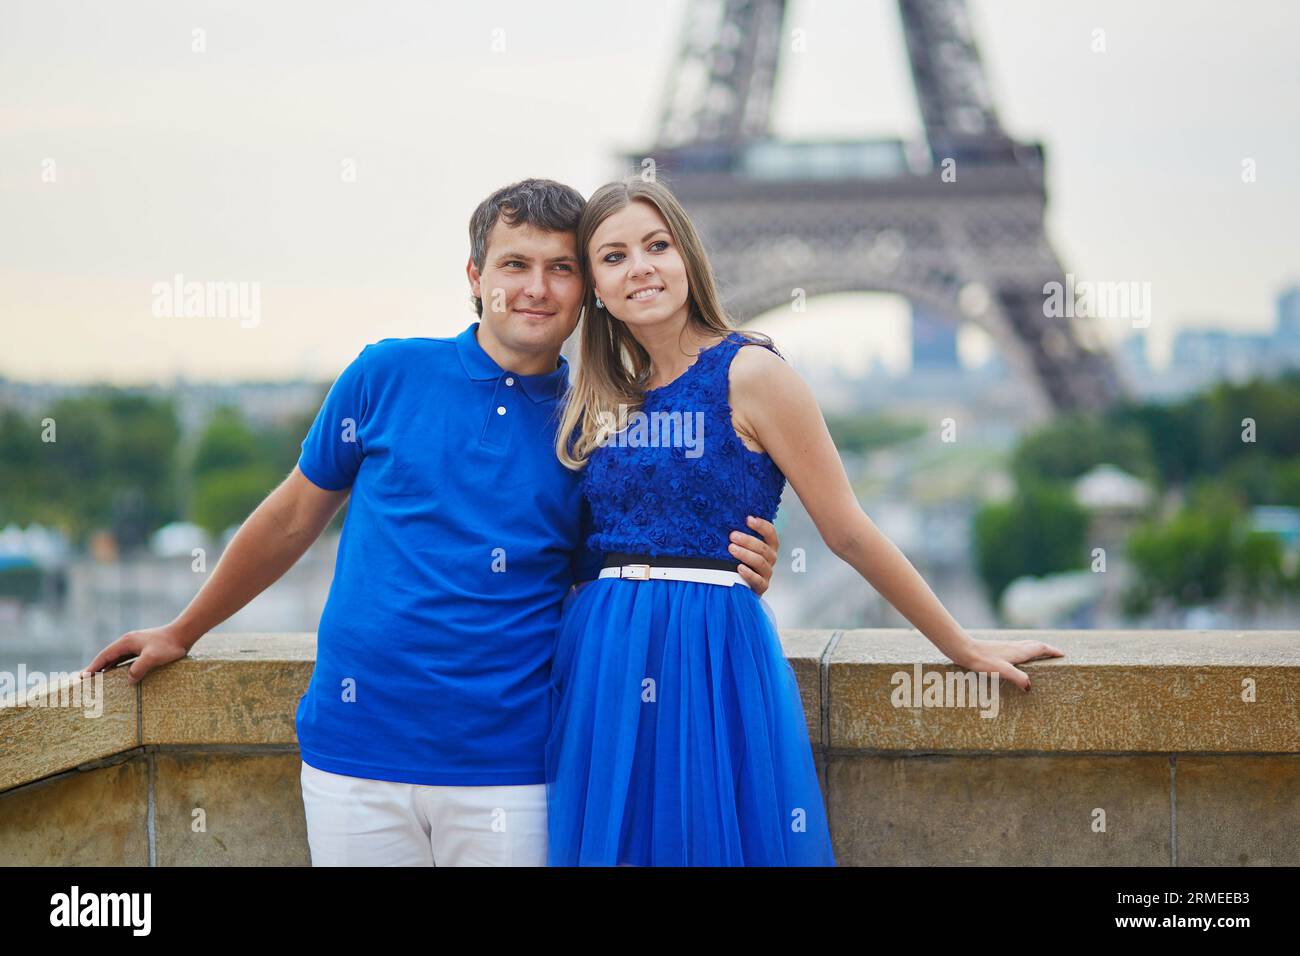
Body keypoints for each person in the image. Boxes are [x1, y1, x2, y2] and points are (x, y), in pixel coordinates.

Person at [81, 178, 781, 866]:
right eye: (515, 265)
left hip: (512, 766)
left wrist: (734, 560)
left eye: (560, 268)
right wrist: (183, 629)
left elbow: (635, 551)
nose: (536, 287)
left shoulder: (598, 426)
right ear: (476, 276)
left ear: (586, 291)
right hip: (356, 751)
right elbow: (292, 517)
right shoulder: (385, 374)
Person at [545, 177, 1066, 866]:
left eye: (656, 245)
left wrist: (962, 647)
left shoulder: (753, 373)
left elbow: (847, 530)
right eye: (613, 257)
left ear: (688, 256)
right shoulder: (600, 395)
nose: (639, 266)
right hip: (603, 653)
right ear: (596, 289)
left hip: (705, 649)